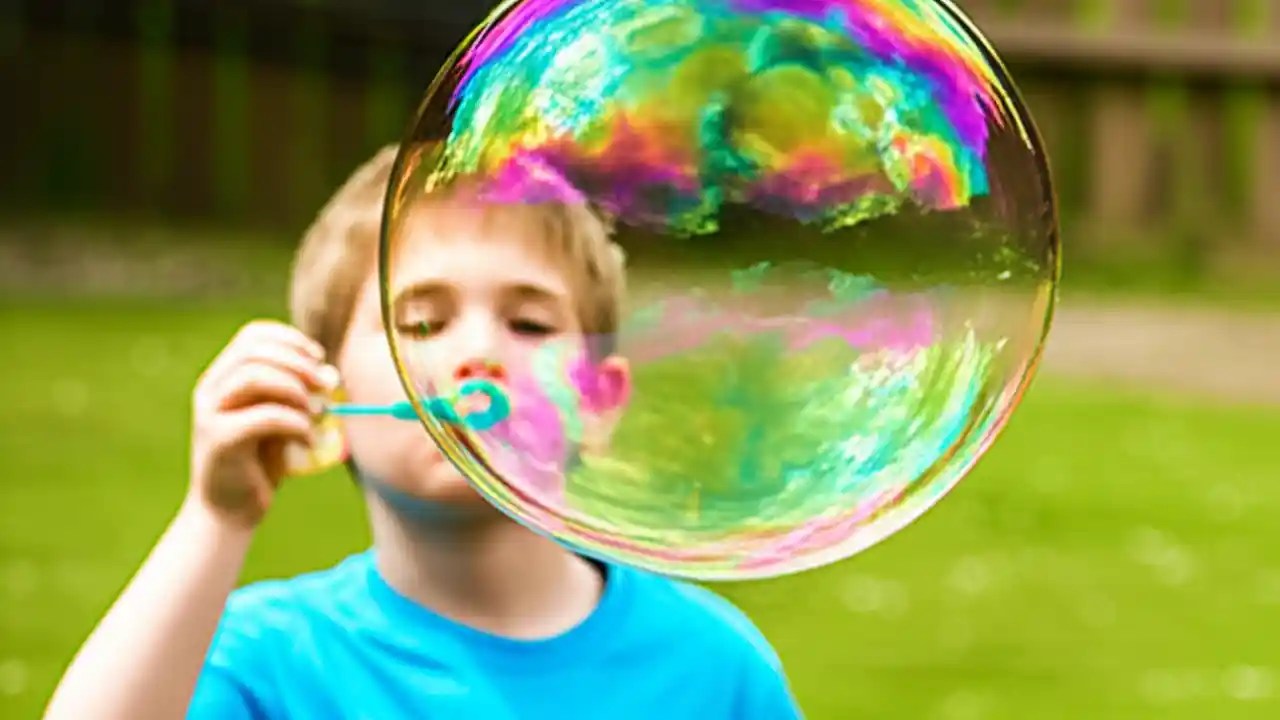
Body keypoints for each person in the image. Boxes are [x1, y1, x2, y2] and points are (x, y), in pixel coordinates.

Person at [43, 145, 804, 719]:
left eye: (530, 322)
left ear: (597, 401)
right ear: (323, 395)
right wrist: (216, 518)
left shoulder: (715, 669)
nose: (476, 352)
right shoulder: (262, 659)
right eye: (422, 321)